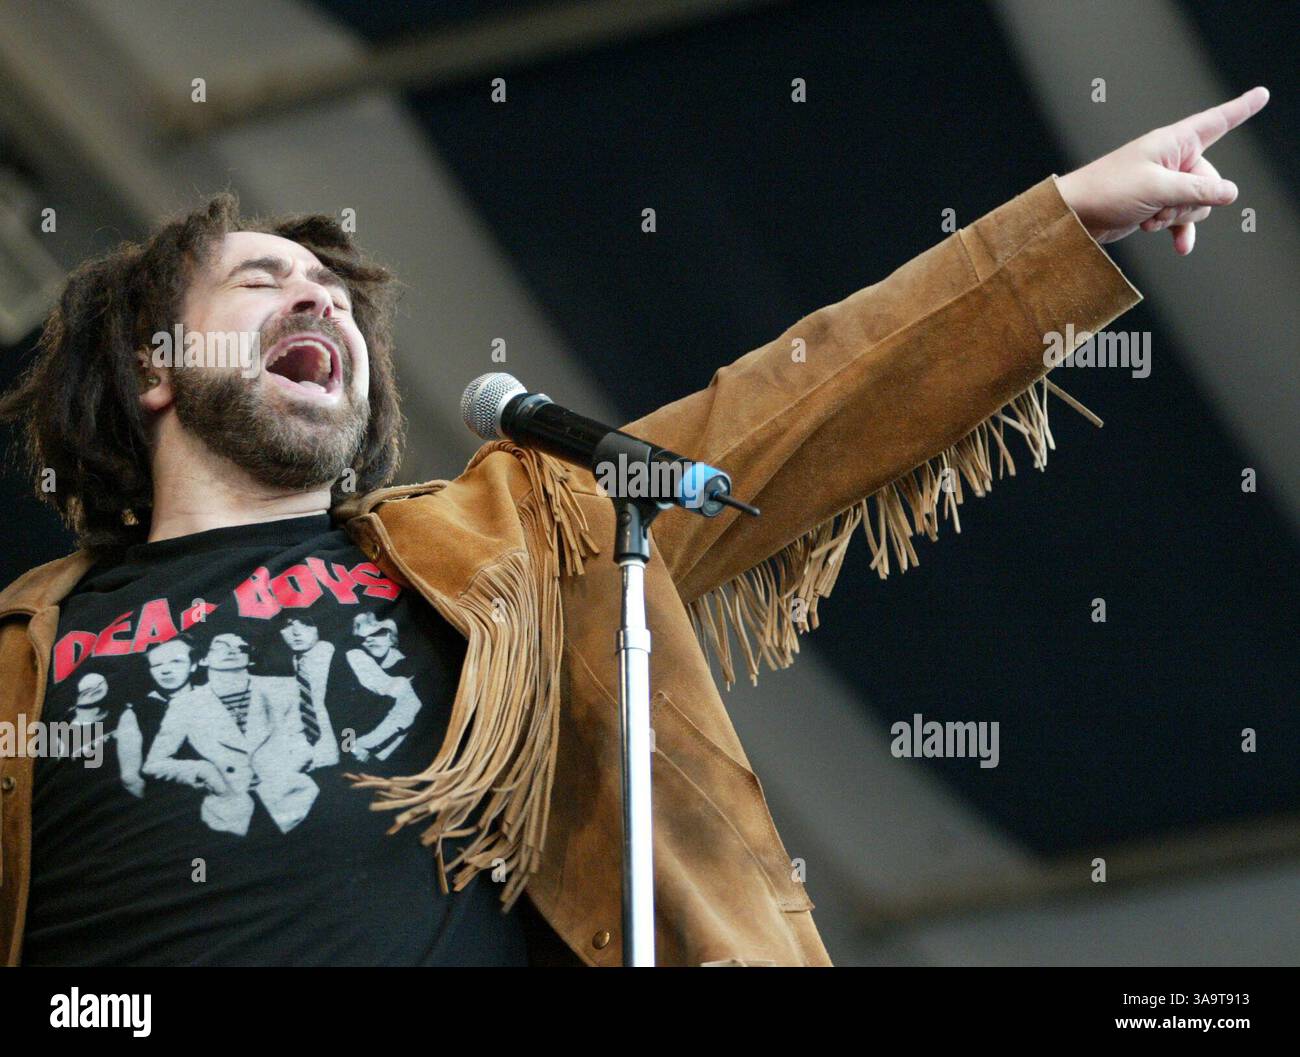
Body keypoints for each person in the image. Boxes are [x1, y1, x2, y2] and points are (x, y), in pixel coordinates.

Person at [0, 88, 1270, 966]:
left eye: (333, 292)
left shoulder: (509, 534)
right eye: (266, 280)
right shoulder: (26, 648)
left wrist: (1065, 223)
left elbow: (798, 400)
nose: (317, 300)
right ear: (152, 365)